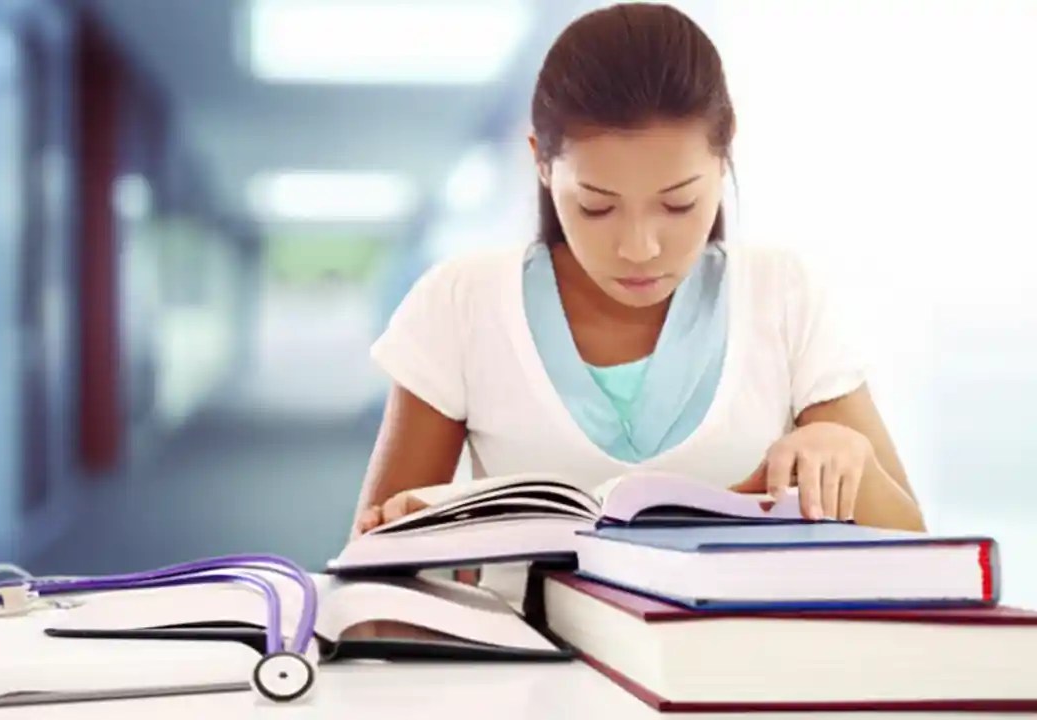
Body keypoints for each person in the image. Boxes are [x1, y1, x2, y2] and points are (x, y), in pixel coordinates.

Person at [350, 2, 925, 596]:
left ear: (725, 153)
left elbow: (922, 557)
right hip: (523, 656)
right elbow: (375, 578)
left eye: (678, 204)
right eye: (596, 207)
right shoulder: (461, 304)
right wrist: (436, 541)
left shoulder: (784, 295)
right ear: (541, 164)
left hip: (743, 652)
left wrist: (849, 456)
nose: (639, 248)